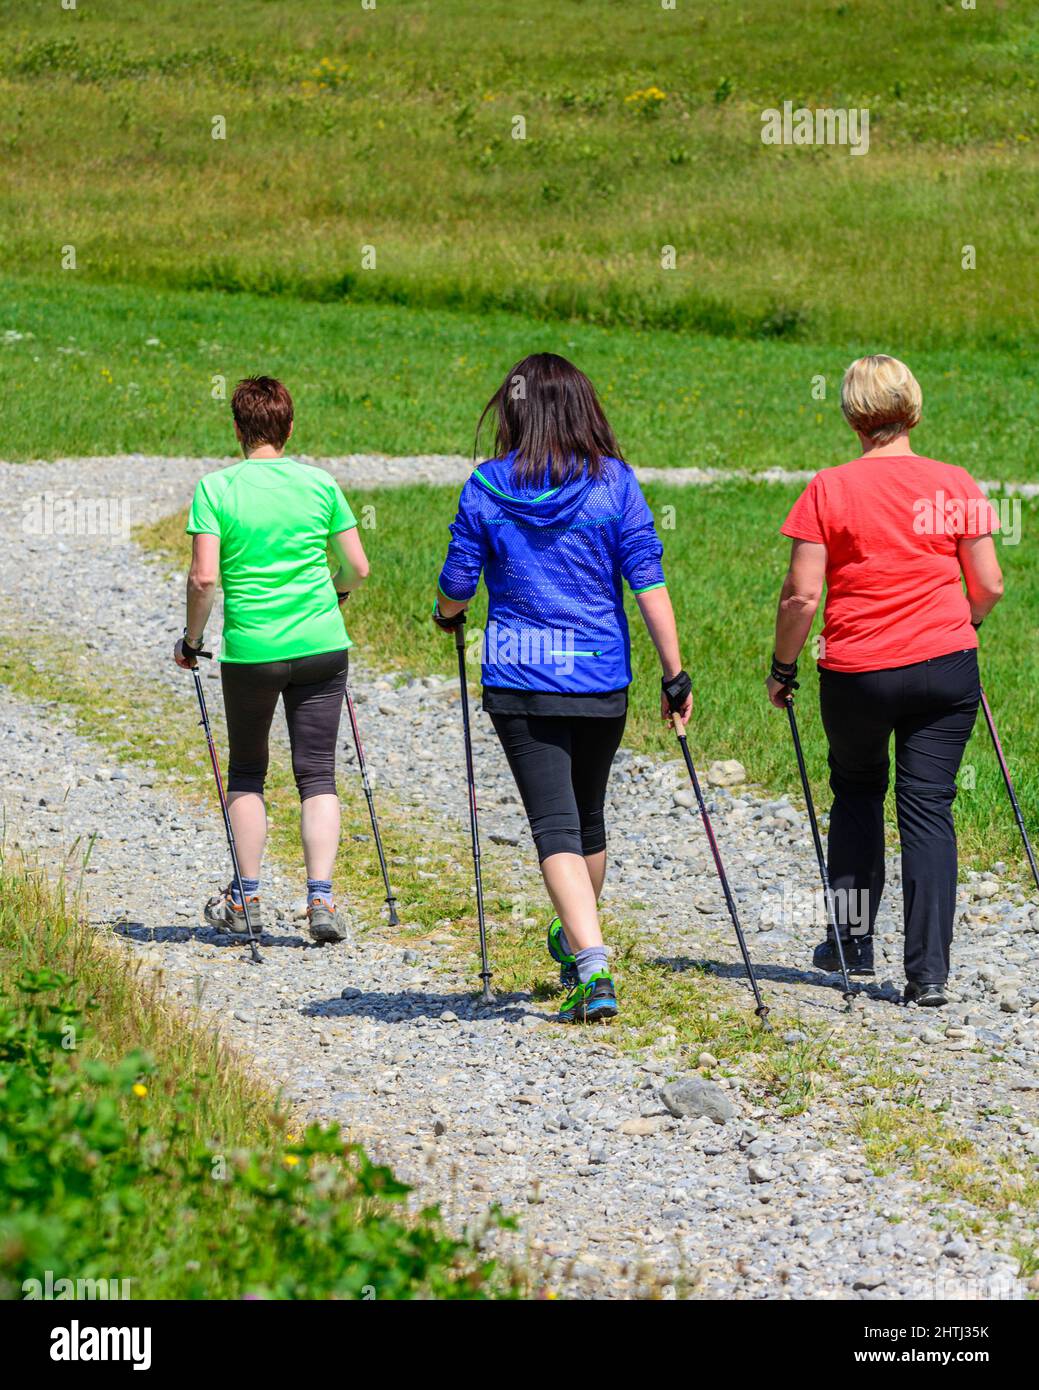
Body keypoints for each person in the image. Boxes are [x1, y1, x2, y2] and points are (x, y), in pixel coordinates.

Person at [432, 353, 692, 1023]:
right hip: (600, 675)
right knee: (587, 819)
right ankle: (580, 936)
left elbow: (458, 582)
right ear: (583, 410)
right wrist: (674, 673)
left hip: (521, 675)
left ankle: (592, 966)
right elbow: (648, 582)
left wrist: (446, 616)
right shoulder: (616, 485)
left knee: (554, 825)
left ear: (514, 410)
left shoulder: (487, 487)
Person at [766, 354, 1003, 1007]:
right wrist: (965, 624)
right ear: (912, 408)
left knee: (856, 791)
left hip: (857, 672)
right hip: (943, 665)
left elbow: (799, 597)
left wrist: (782, 667)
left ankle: (849, 943)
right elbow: (987, 584)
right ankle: (927, 975)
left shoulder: (829, 488)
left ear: (850, 413)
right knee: (928, 807)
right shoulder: (954, 483)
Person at [173, 376, 370, 944]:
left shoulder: (215, 489)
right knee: (317, 773)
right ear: (289, 428)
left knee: (247, 772)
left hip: (252, 652)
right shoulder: (320, 484)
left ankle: (248, 895)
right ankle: (321, 900)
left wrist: (192, 640)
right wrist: (336, 596)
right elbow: (358, 567)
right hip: (321, 646)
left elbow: (204, 576)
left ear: (237, 429)